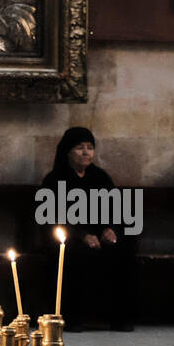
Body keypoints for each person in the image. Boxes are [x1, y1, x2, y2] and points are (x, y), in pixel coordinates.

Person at [38, 127, 136, 331]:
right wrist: (81, 235)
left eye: (90, 148)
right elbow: (50, 218)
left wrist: (111, 229)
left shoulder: (100, 177)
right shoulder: (54, 180)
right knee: (74, 253)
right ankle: (72, 317)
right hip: (69, 237)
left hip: (99, 237)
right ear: (67, 151)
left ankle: (118, 318)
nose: (86, 153)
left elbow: (115, 209)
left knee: (124, 248)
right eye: (80, 148)